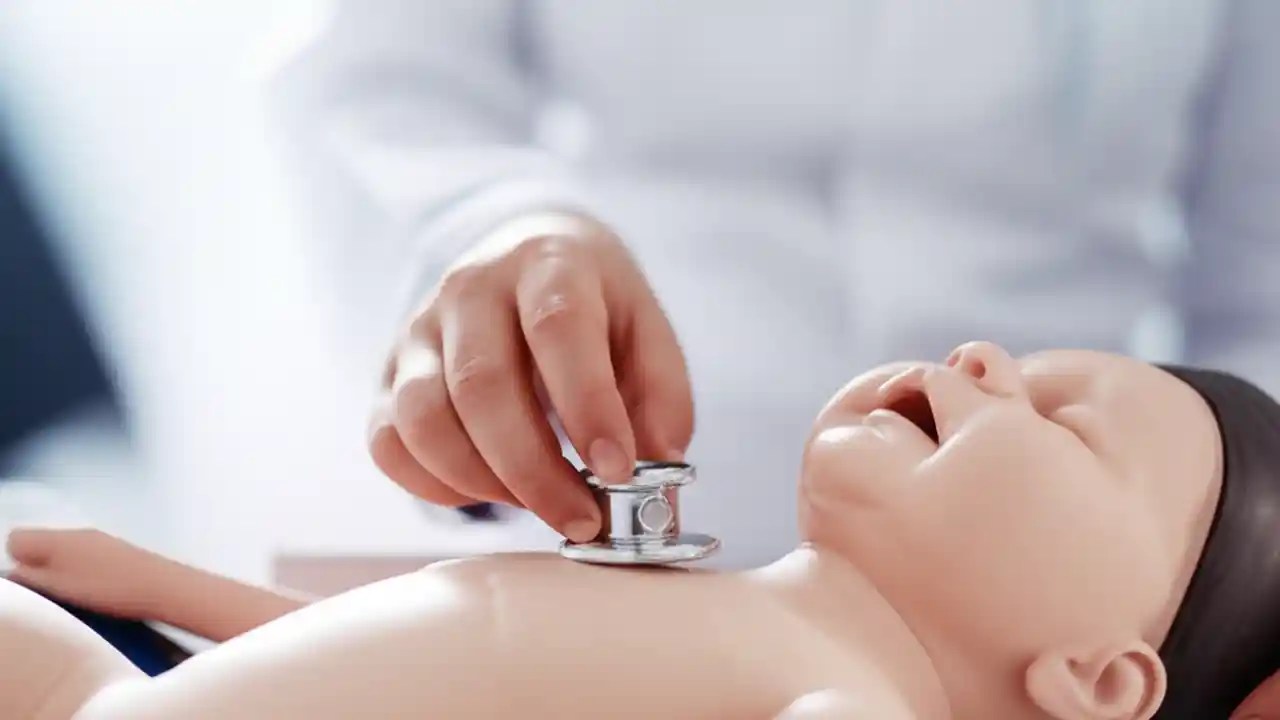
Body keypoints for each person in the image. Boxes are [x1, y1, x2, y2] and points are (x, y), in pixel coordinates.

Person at [274, 2, 1280, 574]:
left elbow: (1261, 303)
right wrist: (488, 226)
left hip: (1081, 579)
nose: (954, 374)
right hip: (599, 461)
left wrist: (1217, 600)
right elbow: (383, 75)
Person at [5, 341, 1280, 717]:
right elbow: (435, 670)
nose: (983, 355)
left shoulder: (840, 701)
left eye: (1061, 425)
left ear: (1097, 679)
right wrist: (158, 579)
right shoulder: (742, 610)